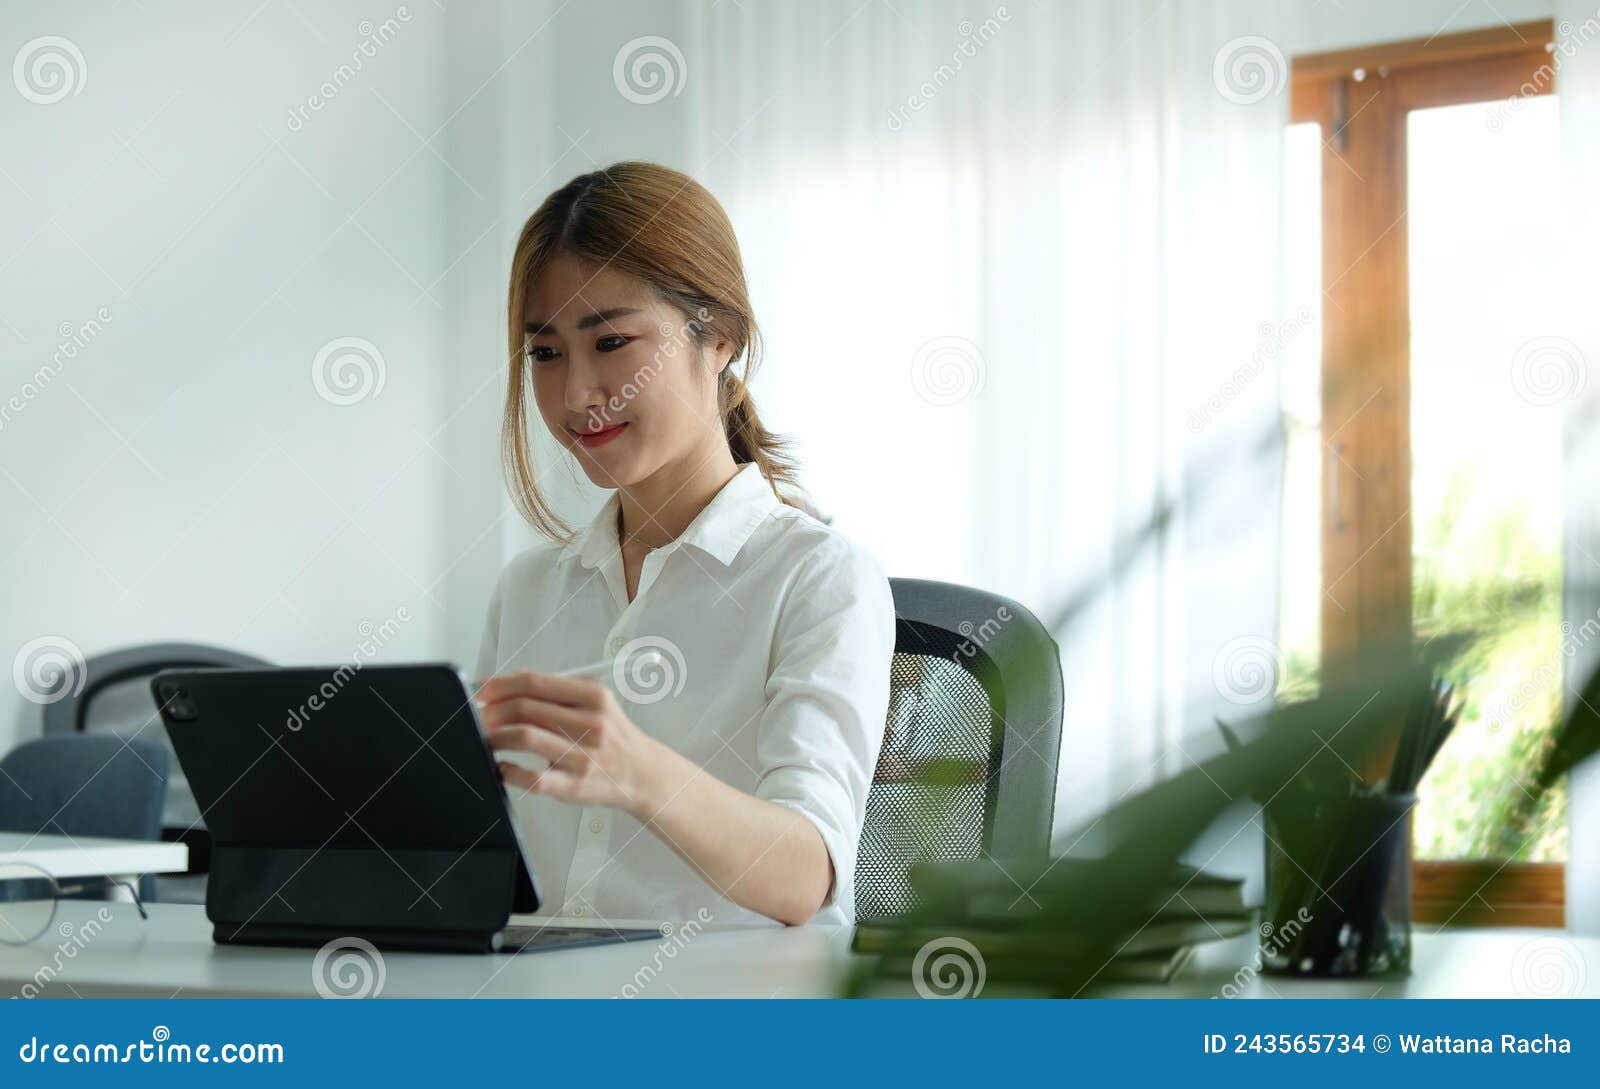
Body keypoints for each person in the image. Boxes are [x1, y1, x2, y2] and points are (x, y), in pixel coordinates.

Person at [473, 162, 893, 928]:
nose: (576, 396)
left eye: (612, 341)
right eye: (546, 353)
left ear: (721, 338)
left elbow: (807, 872)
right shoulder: (530, 589)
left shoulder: (820, 580)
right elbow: (482, 859)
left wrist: (638, 772)